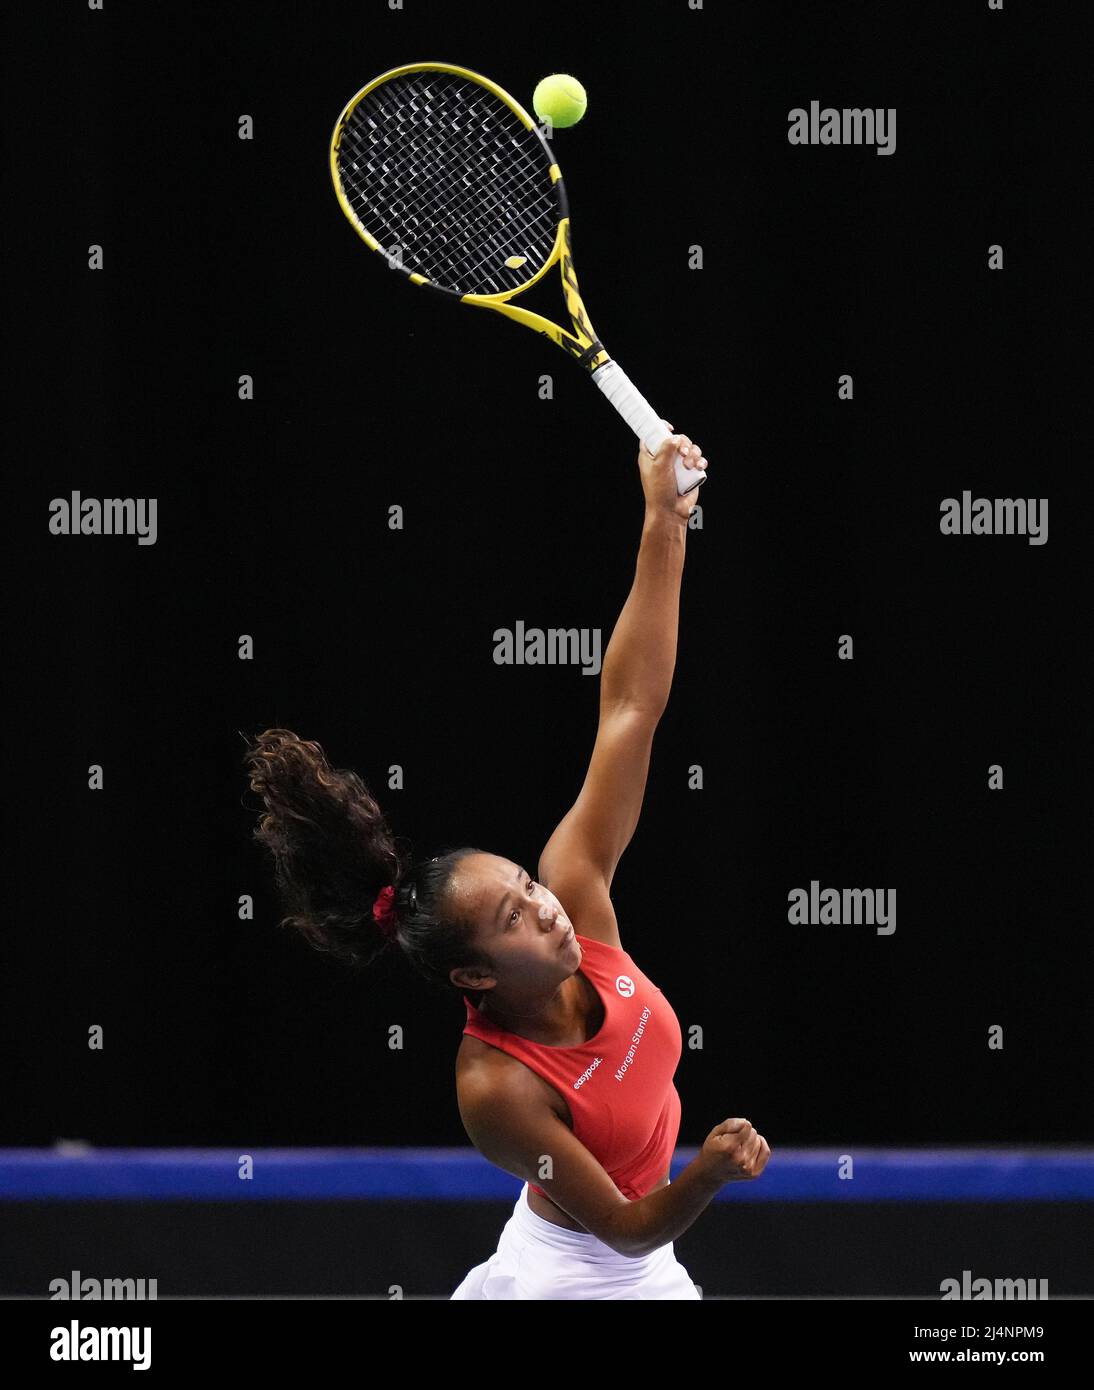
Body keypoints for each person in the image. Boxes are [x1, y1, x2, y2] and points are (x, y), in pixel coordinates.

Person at [244, 430, 770, 1299]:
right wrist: (708, 1172)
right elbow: (631, 1232)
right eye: (516, 917)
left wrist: (663, 522)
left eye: (526, 886)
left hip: (641, 1257)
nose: (547, 907)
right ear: (471, 973)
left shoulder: (579, 894)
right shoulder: (493, 1085)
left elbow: (631, 706)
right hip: (580, 1276)